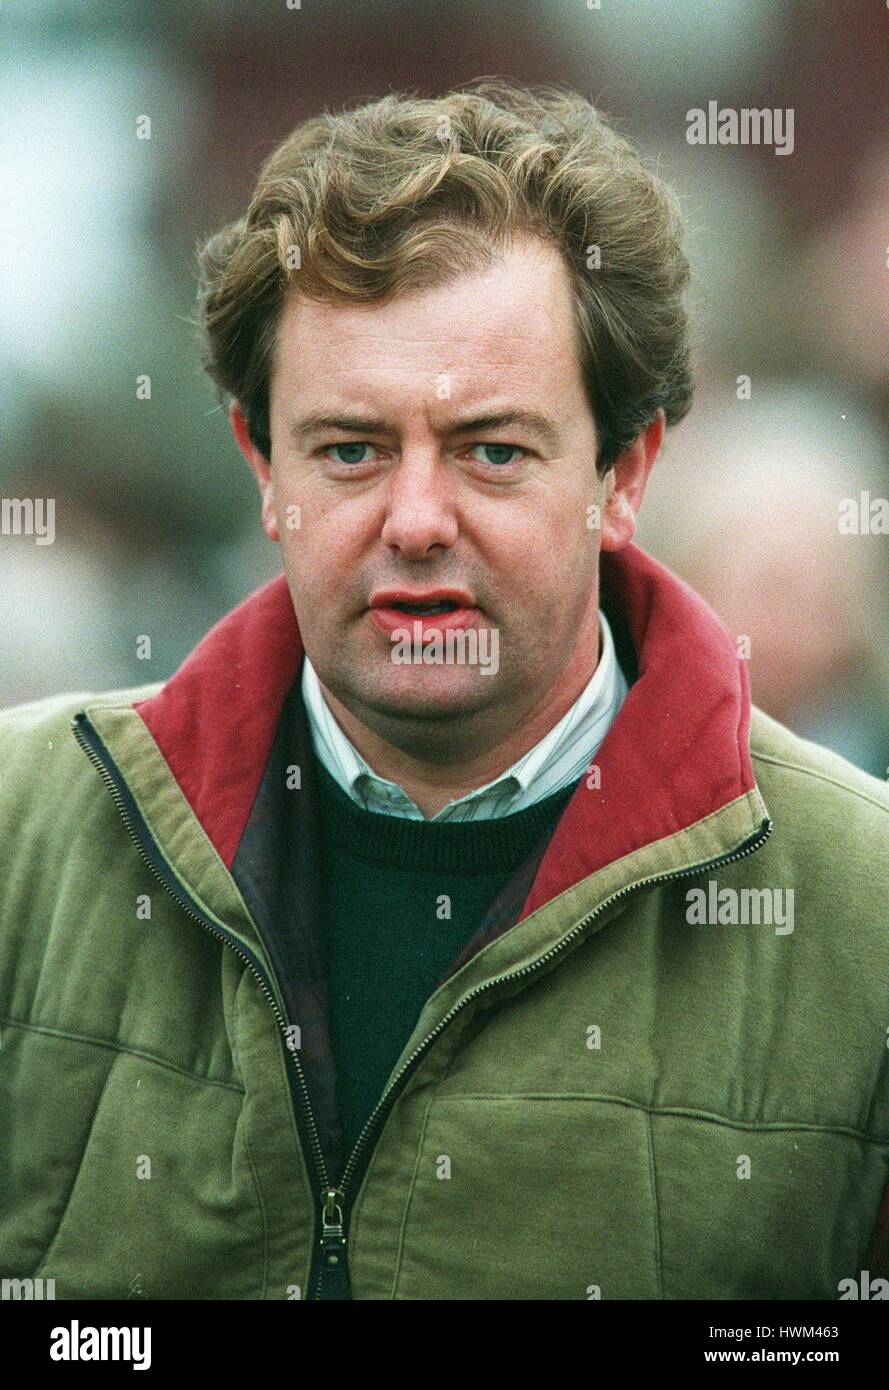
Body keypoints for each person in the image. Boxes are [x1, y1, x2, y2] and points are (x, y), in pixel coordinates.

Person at [1, 81, 887, 1302]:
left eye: (492, 450)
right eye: (350, 449)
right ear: (263, 465)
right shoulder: (21, 835)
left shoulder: (863, 914)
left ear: (624, 474)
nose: (415, 521)